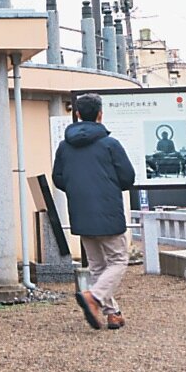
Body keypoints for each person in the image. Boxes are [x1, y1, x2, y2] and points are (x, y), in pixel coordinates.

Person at [51, 92, 136, 331]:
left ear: (77, 115)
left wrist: (79, 190)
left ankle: (113, 313)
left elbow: (58, 178)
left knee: (98, 266)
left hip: (80, 212)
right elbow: (127, 178)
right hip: (108, 211)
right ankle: (95, 297)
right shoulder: (110, 144)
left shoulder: (64, 146)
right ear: (100, 114)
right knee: (118, 260)